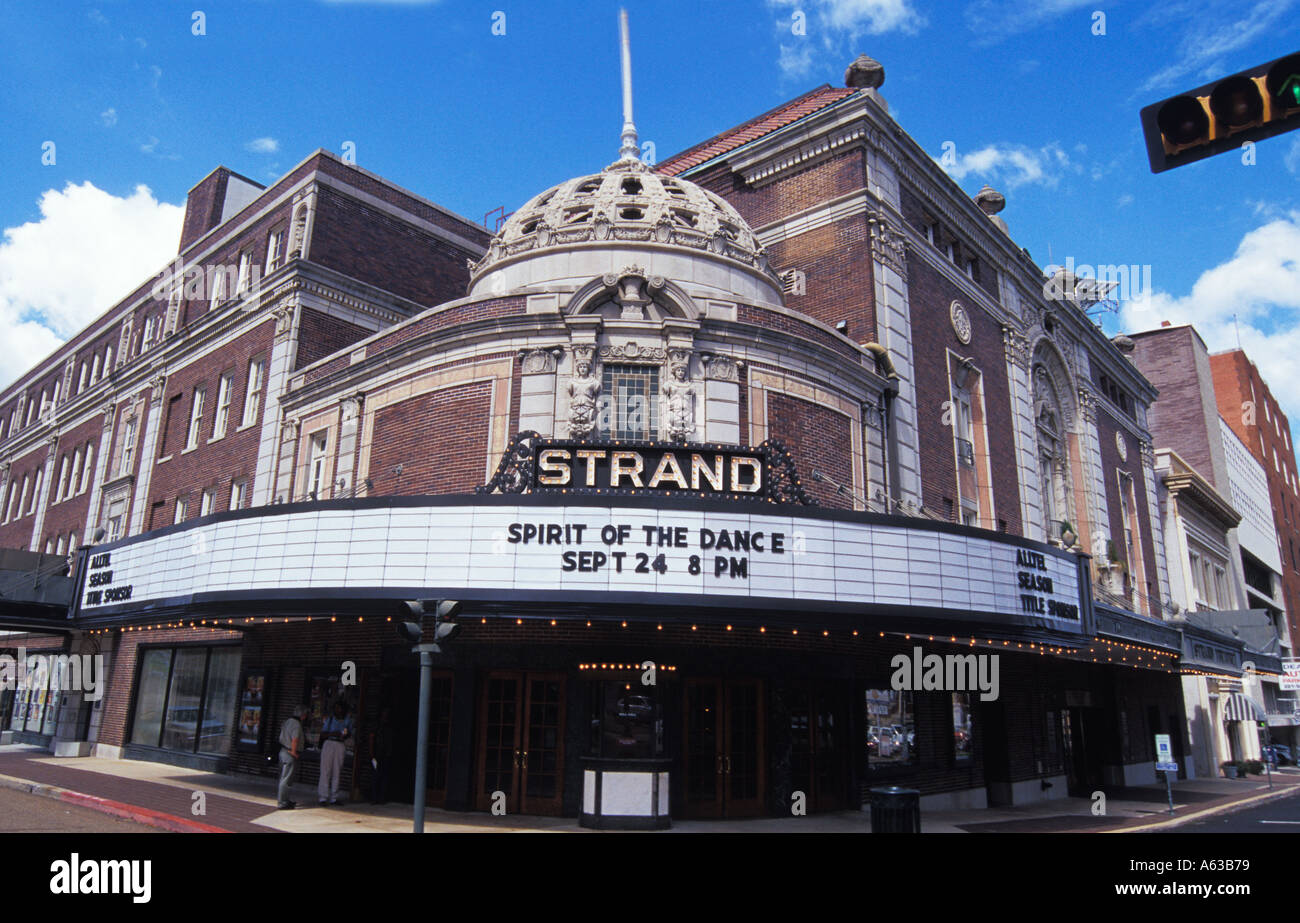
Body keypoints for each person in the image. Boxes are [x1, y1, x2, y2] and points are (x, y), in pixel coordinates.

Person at [318, 700, 353, 805]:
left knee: (337, 771)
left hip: (340, 744)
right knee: (325, 771)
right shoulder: (330, 719)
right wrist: (333, 733)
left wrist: (344, 735)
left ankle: (334, 797)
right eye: (336, 708)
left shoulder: (347, 720)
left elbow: (349, 733)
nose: (338, 710)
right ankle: (323, 797)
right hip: (329, 743)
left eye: (339, 708)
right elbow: (323, 734)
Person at [277, 705, 308, 809]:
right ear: (302, 715)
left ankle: (285, 800)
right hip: (290, 753)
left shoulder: (287, 721)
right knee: (286, 779)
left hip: (283, 750)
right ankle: (283, 802)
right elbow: (295, 739)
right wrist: (294, 752)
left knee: (283, 777)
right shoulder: (296, 724)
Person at [368, 707, 394, 805]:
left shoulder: (389, 727)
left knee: (384, 776)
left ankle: (382, 797)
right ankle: (374, 797)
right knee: (376, 776)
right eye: (384, 713)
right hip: (377, 754)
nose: (385, 716)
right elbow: (371, 738)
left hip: (386, 754)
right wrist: (371, 754)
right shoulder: (376, 726)